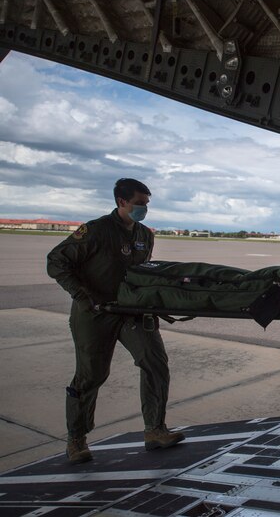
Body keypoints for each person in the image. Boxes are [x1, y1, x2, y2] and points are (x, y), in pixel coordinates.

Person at [47, 178, 184, 464]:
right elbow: (56, 261)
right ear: (122, 202)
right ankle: (76, 439)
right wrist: (84, 297)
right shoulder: (95, 231)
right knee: (91, 375)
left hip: (131, 311)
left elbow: (142, 272)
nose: (144, 209)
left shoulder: (145, 235)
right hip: (94, 313)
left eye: (146, 204)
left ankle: (155, 430)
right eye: (139, 204)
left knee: (155, 363)